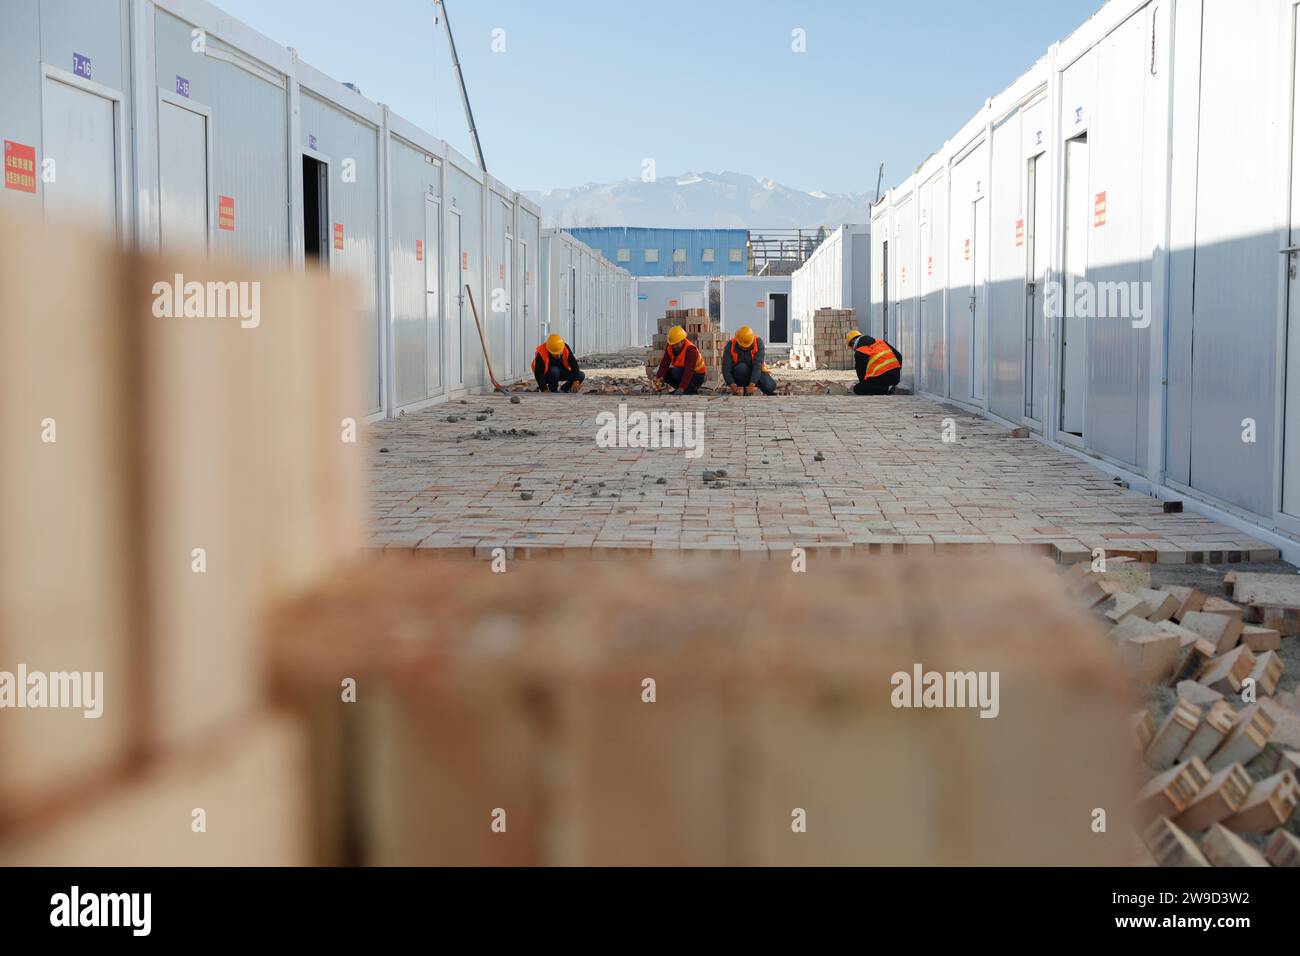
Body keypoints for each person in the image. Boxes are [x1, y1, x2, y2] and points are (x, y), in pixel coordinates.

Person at [722, 325, 777, 396]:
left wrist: (752, 383)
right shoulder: (730, 345)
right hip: (740, 374)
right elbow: (726, 368)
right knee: (741, 367)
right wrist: (731, 383)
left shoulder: (758, 343)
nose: (744, 347)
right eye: (742, 346)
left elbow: (757, 365)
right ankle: (742, 388)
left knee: (769, 387)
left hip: (757, 372)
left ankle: (753, 387)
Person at [653, 325, 706, 395]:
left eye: (677, 344)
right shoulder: (670, 347)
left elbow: (688, 371)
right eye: (673, 344)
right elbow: (664, 364)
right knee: (665, 373)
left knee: (676, 372)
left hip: (697, 376)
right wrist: (659, 379)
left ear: (683, 341)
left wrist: (682, 388)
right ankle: (682, 388)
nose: (674, 346)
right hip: (682, 371)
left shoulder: (691, 350)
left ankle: (691, 389)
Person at [846, 329, 902, 395]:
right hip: (896, 376)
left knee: (858, 388)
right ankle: (891, 387)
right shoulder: (880, 342)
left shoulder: (860, 351)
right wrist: (896, 370)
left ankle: (887, 390)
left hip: (882, 377)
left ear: (852, 343)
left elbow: (861, 373)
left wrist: (863, 384)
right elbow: (899, 356)